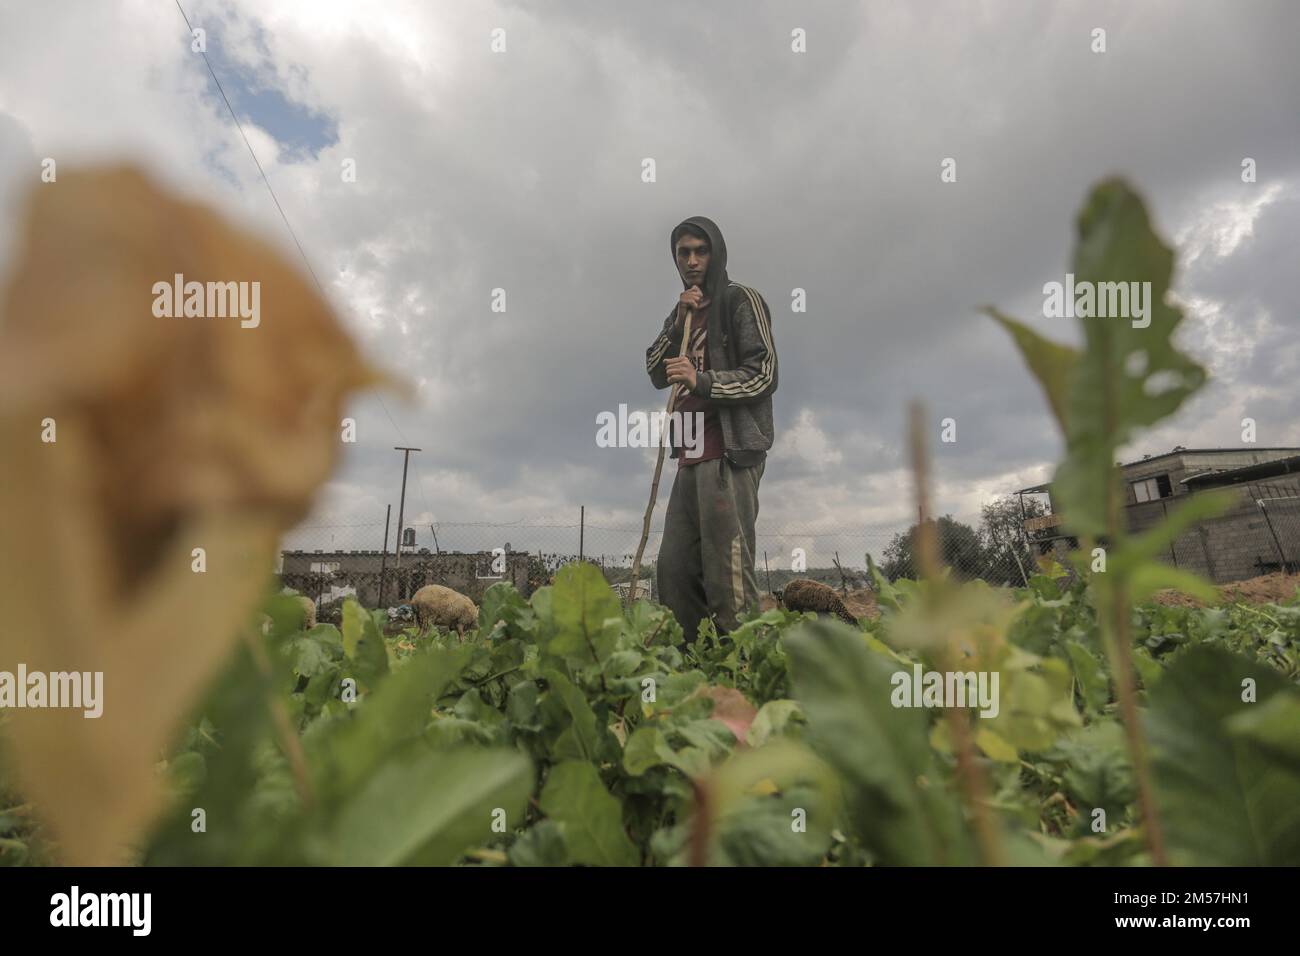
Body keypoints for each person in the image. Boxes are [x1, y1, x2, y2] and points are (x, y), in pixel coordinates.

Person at [645, 216, 777, 644]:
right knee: (675, 571)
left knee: (728, 572)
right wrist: (679, 321)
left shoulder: (741, 300)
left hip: (729, 452)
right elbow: (654, 370)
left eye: (700, 250)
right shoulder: (682, 311)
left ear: (716, 252)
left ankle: (742, 669)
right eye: (683, 252)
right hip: (689, 453)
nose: (692, 260)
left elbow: (764, 374)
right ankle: (695, 665)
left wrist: (703, 382)